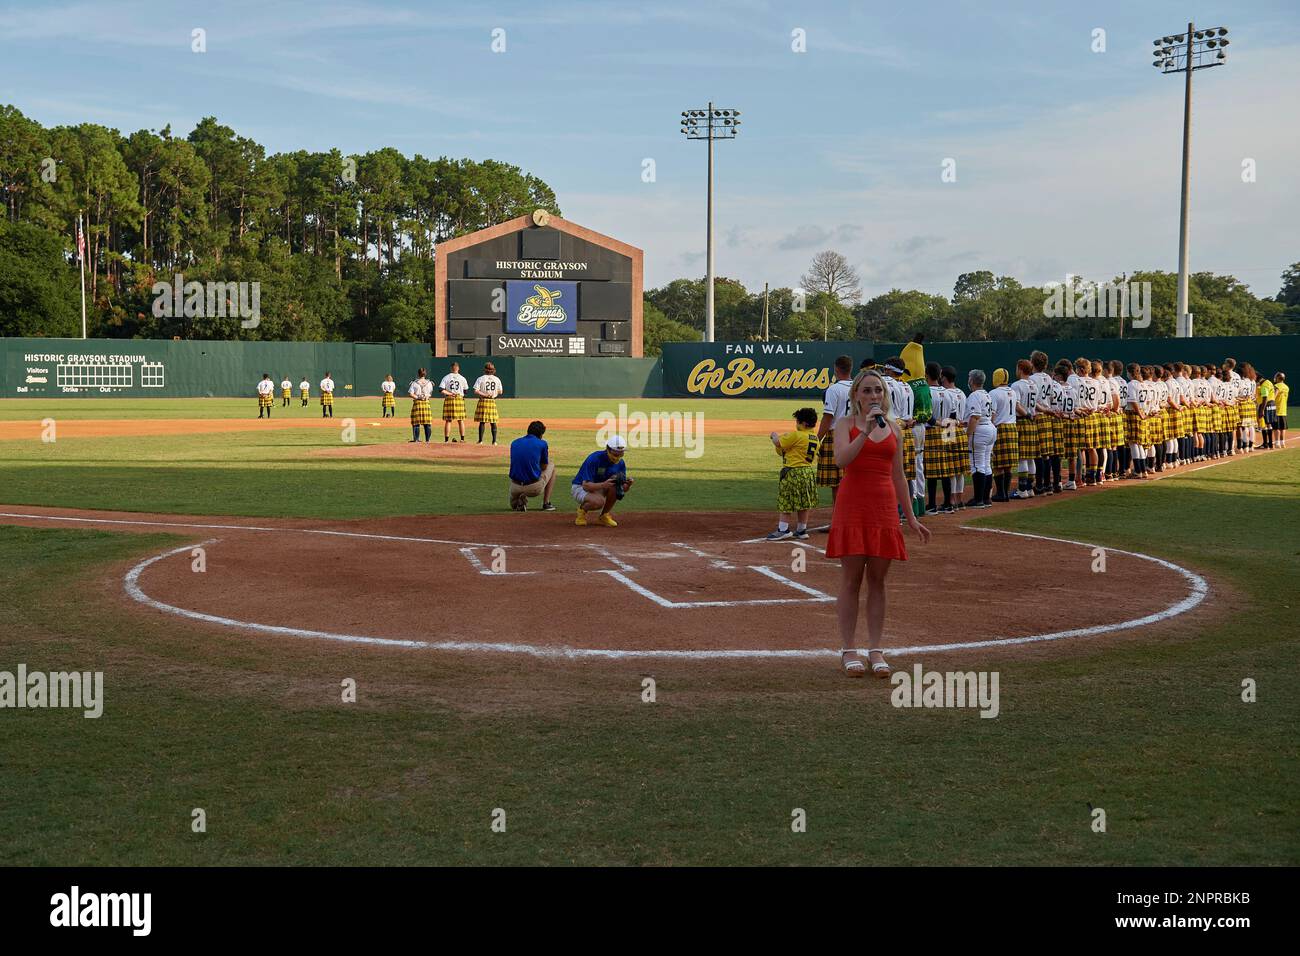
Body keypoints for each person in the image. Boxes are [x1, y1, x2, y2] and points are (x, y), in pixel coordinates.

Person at [826, 369, 930, 678]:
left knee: (878, 582)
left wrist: (910, 517)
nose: (874, 396)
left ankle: (875, 649)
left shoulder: (895, 429)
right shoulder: (844, 425)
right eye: (868, 391)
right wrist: (868, 433)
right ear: (856, 395)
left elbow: (898, 475)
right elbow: (842, 460)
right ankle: (848, 650)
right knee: (851, 580)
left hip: (884, 508)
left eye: (878, 391)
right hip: (853, 506)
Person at [766, 407, 820, 541]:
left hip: (793, 472)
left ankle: (783, 529)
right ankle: (802, 530)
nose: (796, 424)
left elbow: (778, 442)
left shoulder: (796, 435)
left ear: (804, 423)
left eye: (798, 422)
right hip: (807, 473)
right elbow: (783, 450)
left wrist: (774, 436)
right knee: (804, 502)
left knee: (786, 501)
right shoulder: (815, 438)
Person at [814, 355, 854, 526]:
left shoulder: (833, 390)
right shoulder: (859, 388)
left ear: (836, 369)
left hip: (836, 436)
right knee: (853, 479)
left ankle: (839, 520)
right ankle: (852, 517)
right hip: (856, 435)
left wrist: (816, 440)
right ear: (850, 369)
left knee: (837, 483)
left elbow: (828, 417)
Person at [572, 435, 633, 527]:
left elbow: (621, 489)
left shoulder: (620, 463)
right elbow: (586, 485)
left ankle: (604, 516)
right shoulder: (594, 458)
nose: (618, 456)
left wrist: (628, 485)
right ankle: (582, 511)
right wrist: (604, 485)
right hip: (580, 487)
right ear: (608, 449)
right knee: (598, 502)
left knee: (615, 486)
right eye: (616, 453)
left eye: (621, 453)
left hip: (600, 487)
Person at [508, 420, 557, 512]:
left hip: (514, 487)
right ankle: (546, 503)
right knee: (551, 466)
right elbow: (544, 467)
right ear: (541, 435)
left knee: (514, 506)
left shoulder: (514, 442)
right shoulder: (542, 443)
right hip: (533, 488)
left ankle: (520, 499)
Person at [964, 369, 996, 508]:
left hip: (981, 429)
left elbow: (975, 416)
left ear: (972, 381)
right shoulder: (986, 394)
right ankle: (985, 498)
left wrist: (968, 435)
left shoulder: (975, 395)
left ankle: (978, 499)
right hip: (990, 428)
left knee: (977, 465)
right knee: (986, 464)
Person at [988, 367, 1019, 502]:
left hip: (1000, 428)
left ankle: (1001, 493)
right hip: (1012, 428)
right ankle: (1005, 493)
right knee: (1008, 465)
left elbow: (993, 415)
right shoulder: (1012, 391)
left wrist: (990, 427)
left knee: (997, 464)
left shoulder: (994, 393)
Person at [473, 362, 504, 445]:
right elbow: (500, 391)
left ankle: (480, 441)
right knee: (493, 421)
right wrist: (493, 394)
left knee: (482, 421)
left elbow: (476, 391)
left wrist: (485, 394)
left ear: (485, 370)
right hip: (492, 401)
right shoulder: (497, 379)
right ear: (493, 370)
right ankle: (494, 441)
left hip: (483, 400)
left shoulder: (481, 378)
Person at [439, 362, 469, 442]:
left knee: (448, 420)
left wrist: (450, 393)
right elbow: (466, 391)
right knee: (460, 420)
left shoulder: (446, 377)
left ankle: (446, 440)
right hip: (459, 398)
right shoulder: (462, 378)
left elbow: (441, 390)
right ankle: (462, 439)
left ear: (451, 369)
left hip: (449, 398)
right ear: (458, 368)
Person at [408, 368, 434, 442]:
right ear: (425, 374)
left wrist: (418, 397)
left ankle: (416, 440)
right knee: (427, 423)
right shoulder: (429, 383)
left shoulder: (414, 383)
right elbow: (430, 394)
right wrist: (426, 397)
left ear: (418, 374)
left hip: (417, 403)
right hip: (426, 403)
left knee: (416, 423)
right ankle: (427, 441)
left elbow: (410, 394)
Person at [1274, 372, 1289, 447]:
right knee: (1283, 427)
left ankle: (1277, 443)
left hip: (1276, 410)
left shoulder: (1277, 386)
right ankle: (1282, 442)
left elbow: (1274, 396)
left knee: (1276, 427)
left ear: (1277, 378)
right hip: (1283, 410)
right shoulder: (1286, 387)